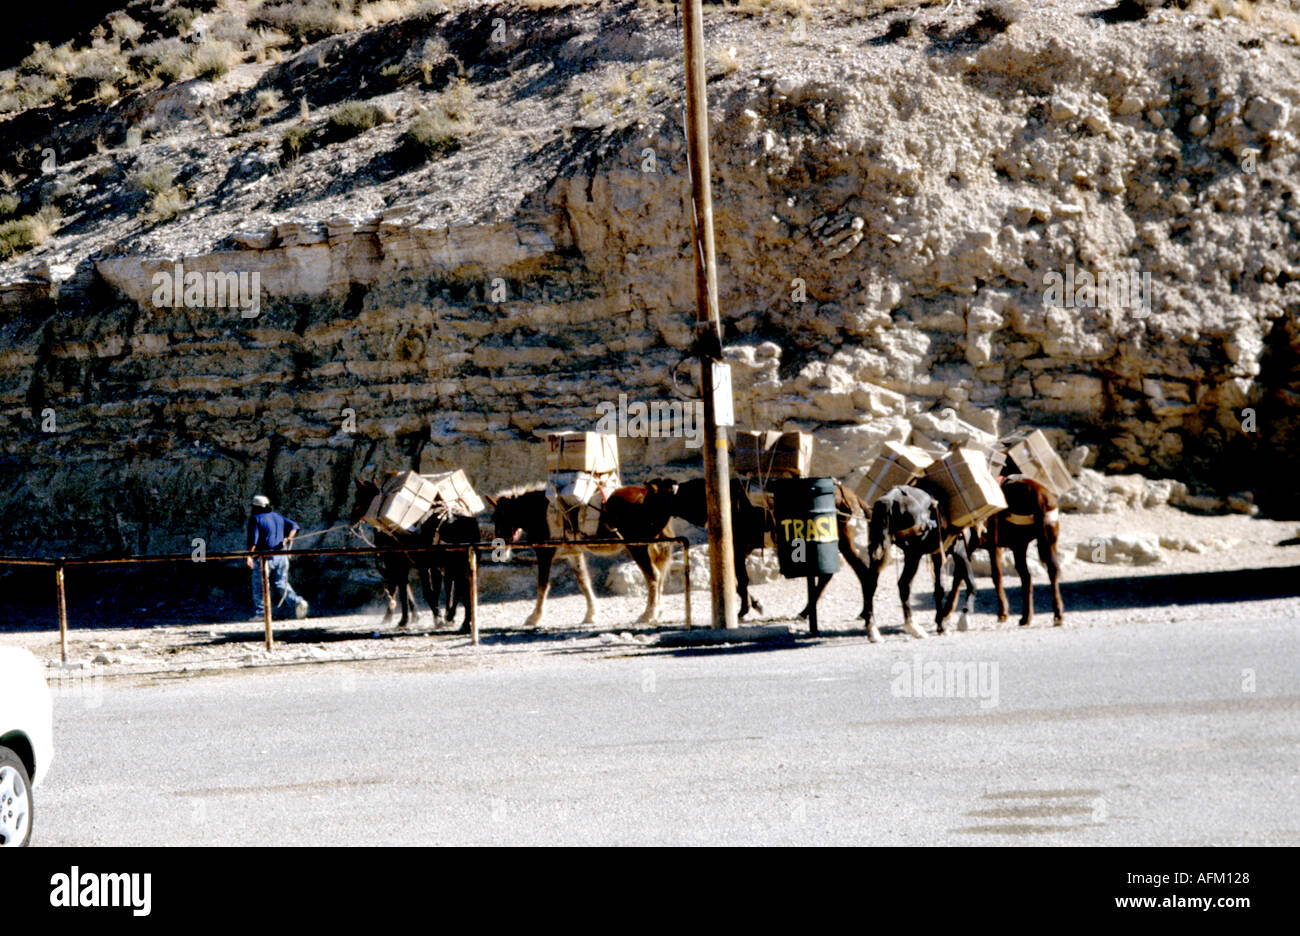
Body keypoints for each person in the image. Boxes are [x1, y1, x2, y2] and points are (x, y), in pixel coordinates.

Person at [246, 495, 309, 620]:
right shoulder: (278, 517)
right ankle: (297, 602)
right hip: (282, 556)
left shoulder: (255, 519)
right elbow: (294, 526)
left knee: (259, 584)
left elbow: (253, 541)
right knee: (281, 583)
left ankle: (261, 613)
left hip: (265, 558)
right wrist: (289, 537)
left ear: (256, 508)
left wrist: (249, 557)